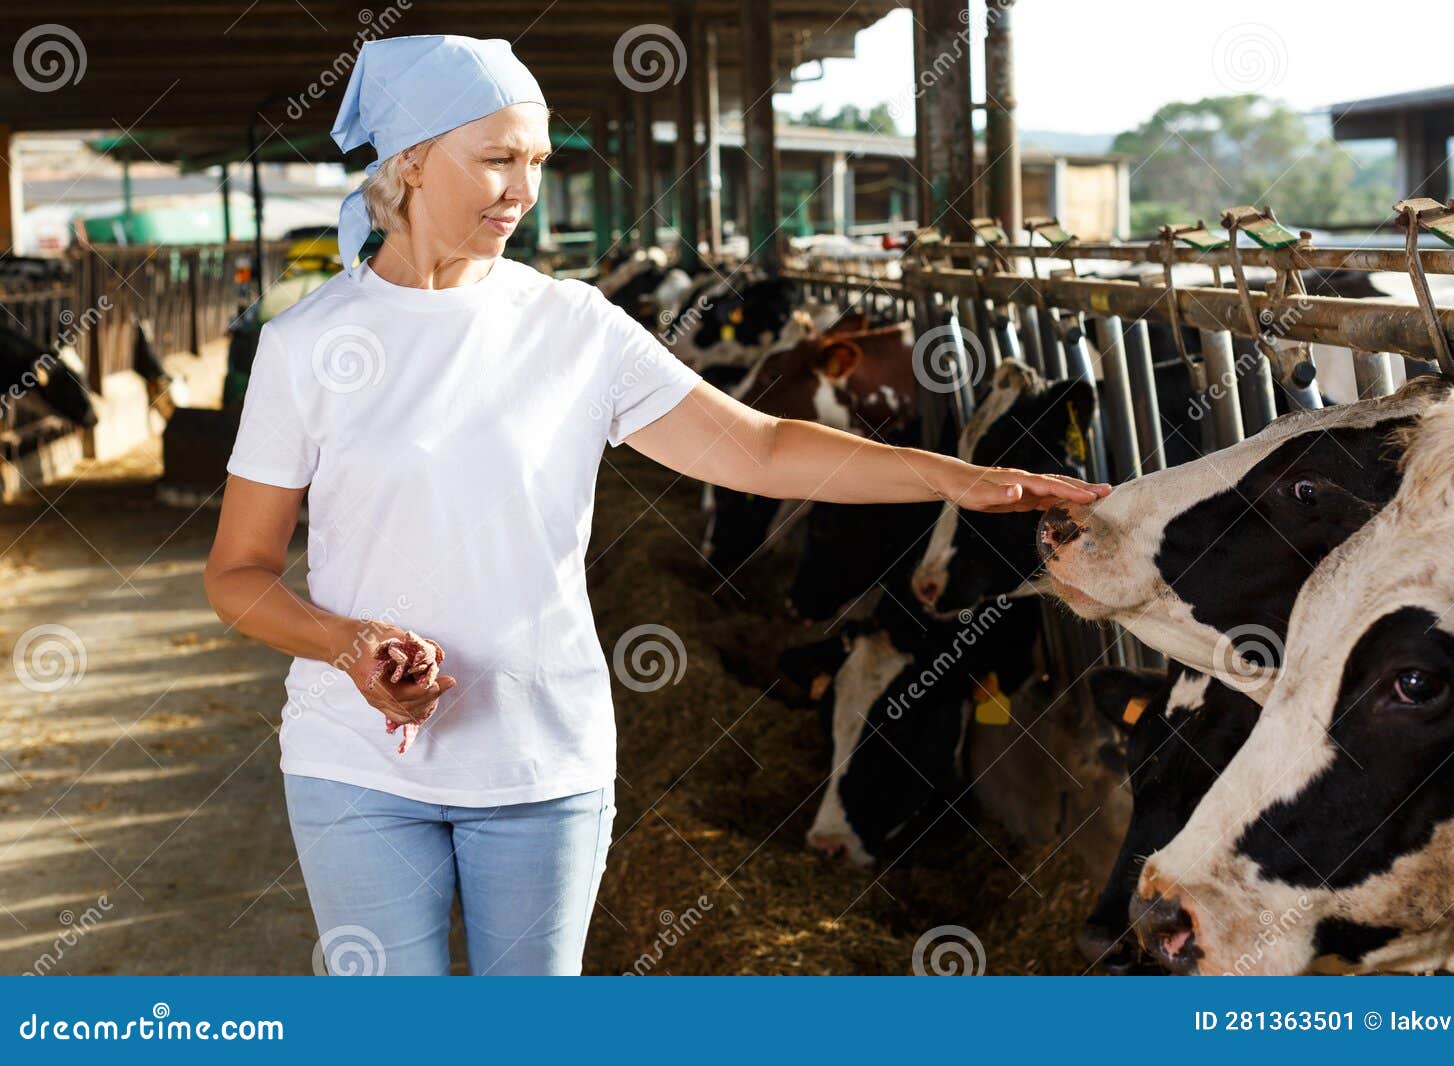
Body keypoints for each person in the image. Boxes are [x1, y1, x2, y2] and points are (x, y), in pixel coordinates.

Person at [203, 34, 1109, 977]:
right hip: (353, 764)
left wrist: (943, 476)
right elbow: (237, 575)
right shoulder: (309, 345)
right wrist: (347, 645)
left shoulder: (571, 327)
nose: (524, 190)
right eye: (499, 159)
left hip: (540, 761)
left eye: (539, 163)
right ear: (413, 158)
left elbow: (756, 447)